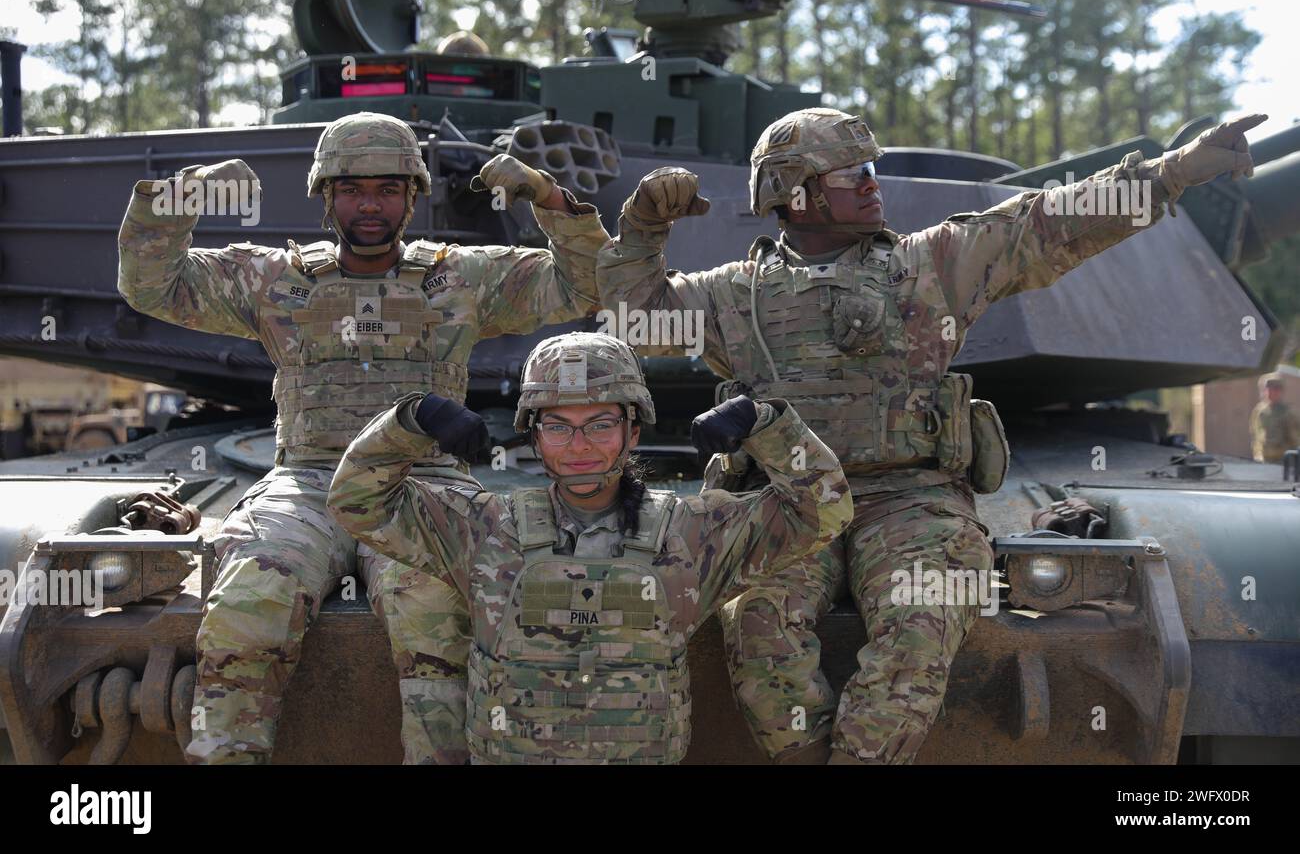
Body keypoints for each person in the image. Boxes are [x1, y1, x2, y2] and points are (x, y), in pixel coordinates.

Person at [596, 107, 1268, 763]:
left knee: (919, 633)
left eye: (870, 169)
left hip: (913, 498)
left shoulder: (935, 263)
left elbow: (1054, 222)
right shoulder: (729, 298)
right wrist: (644, 224)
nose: (870, 183)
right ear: (795, 194)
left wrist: (1175, 169)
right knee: (759, 630)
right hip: (786, 501)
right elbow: (636, 322)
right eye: (850, 172)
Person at [118, 111, 610, 763]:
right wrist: (178, 198)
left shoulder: (463, 279)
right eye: (352, 189)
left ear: (412, 196)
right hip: (306, 487)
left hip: (422, 484)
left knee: (441, 613)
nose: (369, 205)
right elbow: (151, 285)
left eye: (387, 188)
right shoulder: (275, 281)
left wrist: (549, 198)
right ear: (327, 197)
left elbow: (588, 282)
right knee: (249, 600)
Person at [326, 332, 851, 763]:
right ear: (533, 436)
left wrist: (769, 427)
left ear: (633, 431)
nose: (579, 446)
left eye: (600, 423)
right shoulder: (484, 527)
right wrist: (409, 423)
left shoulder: (693, 532)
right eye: (558, 426)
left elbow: (823, 512)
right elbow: (356, 502)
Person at [1250, 371, 1300, 463]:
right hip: (1262, 459)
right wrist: (1257, 454)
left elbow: (1295, 440)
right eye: (1267, 389)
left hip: (1282, 461)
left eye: (1275, 389)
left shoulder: (1288, 413)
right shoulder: (1259, 411)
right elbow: (1256, 434)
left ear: (1281, 391)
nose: (1270, 392)